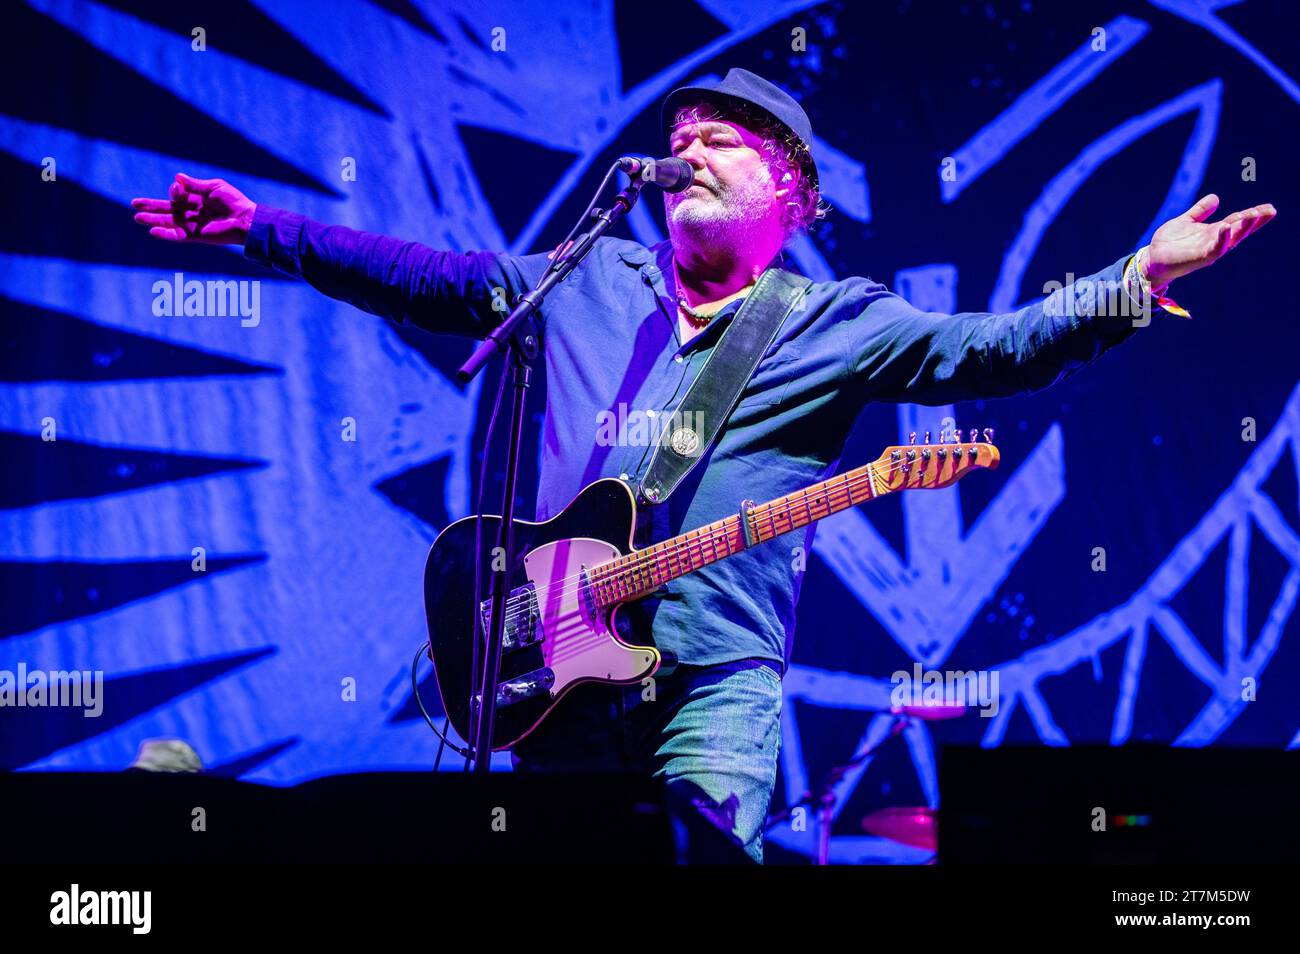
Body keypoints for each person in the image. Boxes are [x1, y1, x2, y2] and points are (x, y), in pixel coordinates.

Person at [131, 68, 1275, 863]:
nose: (686, 152)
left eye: (720, 139)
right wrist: (258, 229)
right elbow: (423, 275)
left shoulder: (832, 321)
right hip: (547, 670)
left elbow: (998, 347)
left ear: (792, 187)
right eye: (678, 140)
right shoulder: (587, 278)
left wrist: (1133, 277)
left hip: (713, 675)